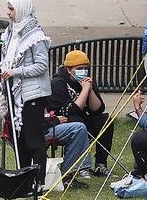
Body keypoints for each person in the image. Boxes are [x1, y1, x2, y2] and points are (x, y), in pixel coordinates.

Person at [0, 0, 52, 184]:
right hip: (14, 95)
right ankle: (23, 181)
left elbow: (42, 66)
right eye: (8, 8)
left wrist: (17, 71)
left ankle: (39, 183)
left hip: (33, 95)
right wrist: (0, 85)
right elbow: (8, 66)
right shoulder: (10, 33)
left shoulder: (36, 36)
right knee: (19, 141)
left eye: (11, 9)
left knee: (34, 141)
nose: (8, 13)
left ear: (22, 9)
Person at [48, 49, 114, 177]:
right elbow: (73, 111)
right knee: (77, 120)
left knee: (105, 120)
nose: (83, 72)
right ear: (69, 69)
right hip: (64, 122)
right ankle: (81, 165)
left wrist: (90, 91)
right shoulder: (57, 83)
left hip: (83, 119)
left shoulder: (86, 82)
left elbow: (98, 109)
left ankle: (101, 164)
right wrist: (84, 90)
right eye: (79, 68)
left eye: (86, 68)